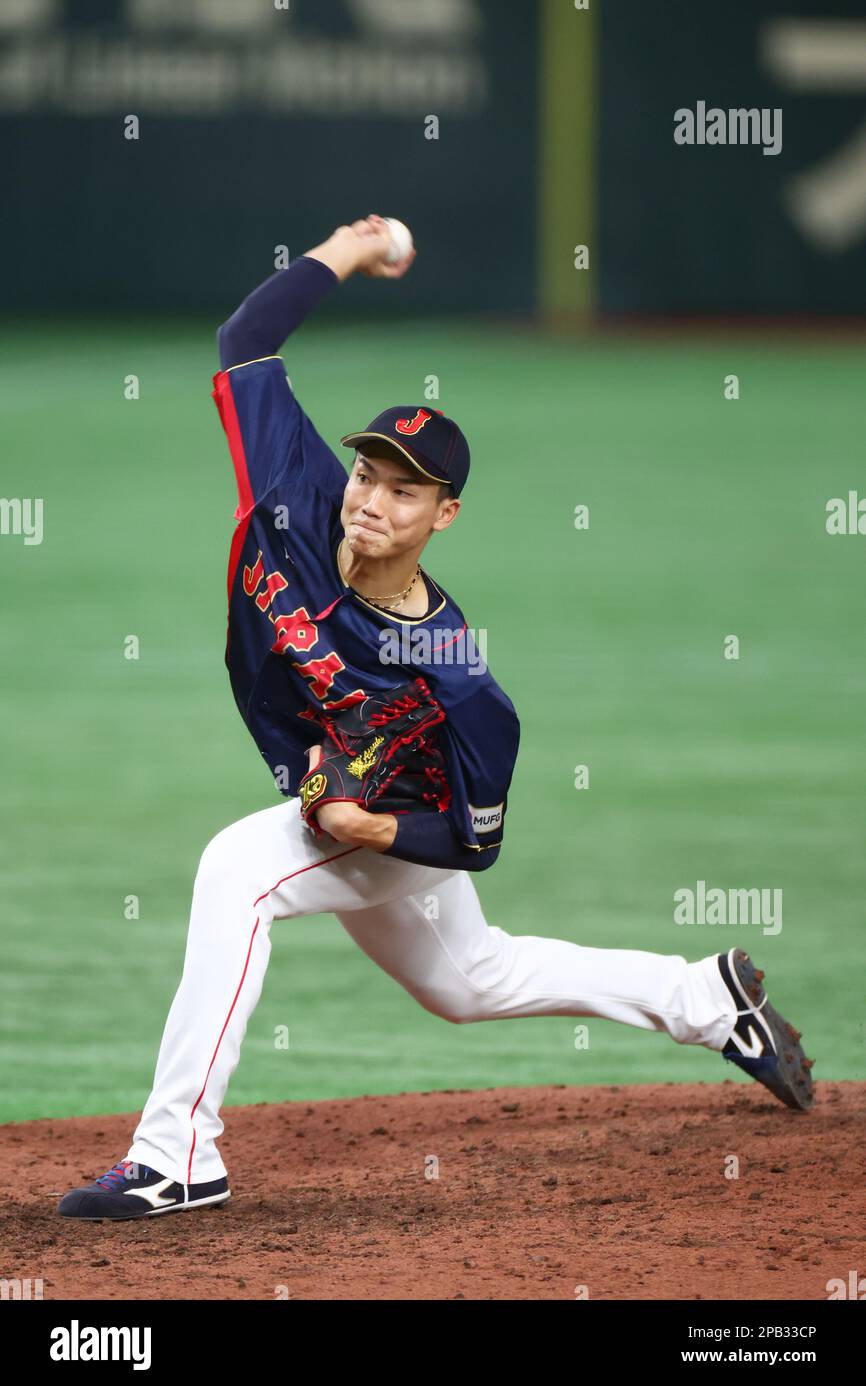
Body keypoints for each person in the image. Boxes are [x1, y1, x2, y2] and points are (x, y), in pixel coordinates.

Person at [57, 217, 814, 1222]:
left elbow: (476, 836)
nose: (369, 499)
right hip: (344, 797)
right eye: (366, 472)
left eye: (401, 490)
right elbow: (245, 340)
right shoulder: (294, 494)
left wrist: (378, 831)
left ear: (441, 515)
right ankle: (704, 998)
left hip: (407, 827)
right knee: (470, 979)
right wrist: (343, 248)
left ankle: (177, 1152)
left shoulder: (456, 675)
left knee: (235, 872)